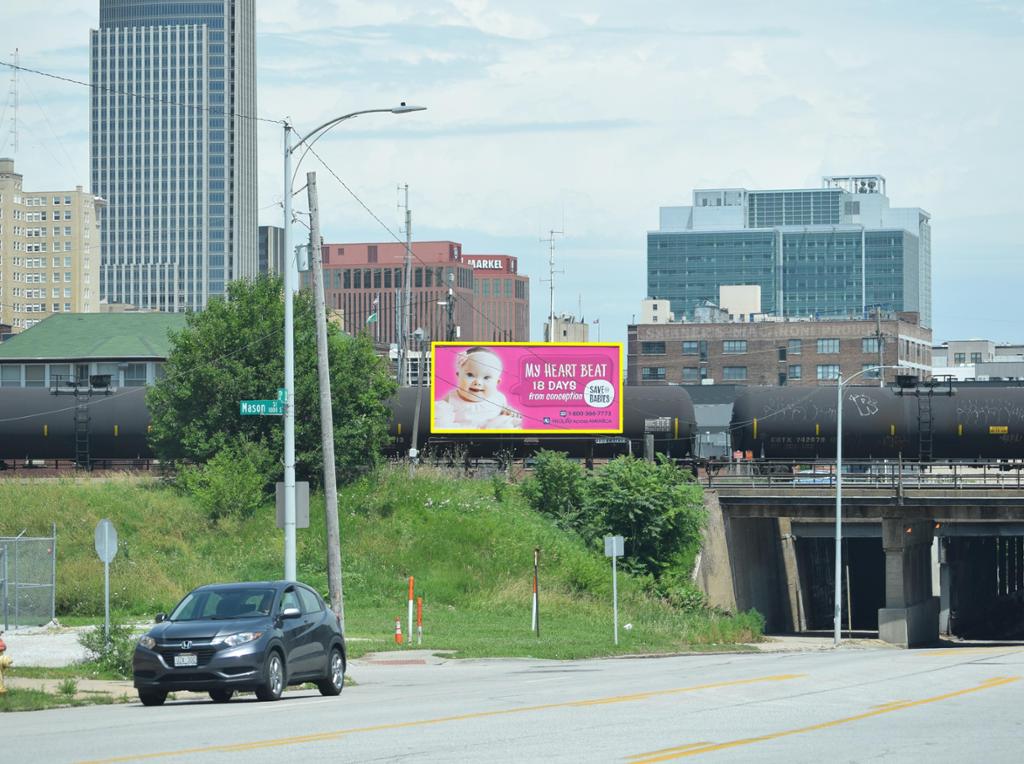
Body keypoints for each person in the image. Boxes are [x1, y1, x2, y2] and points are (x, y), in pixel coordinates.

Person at [434, 346, 523, 430]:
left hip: (491, 432)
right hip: (463, 434)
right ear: (458, 376)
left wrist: (510, 412)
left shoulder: (498, 398)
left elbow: (505, 410)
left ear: (497, 382)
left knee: (506, 422)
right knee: (439, 413)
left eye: (486, 378)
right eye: (470, 375)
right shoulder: (451, 398)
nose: (478, 382)